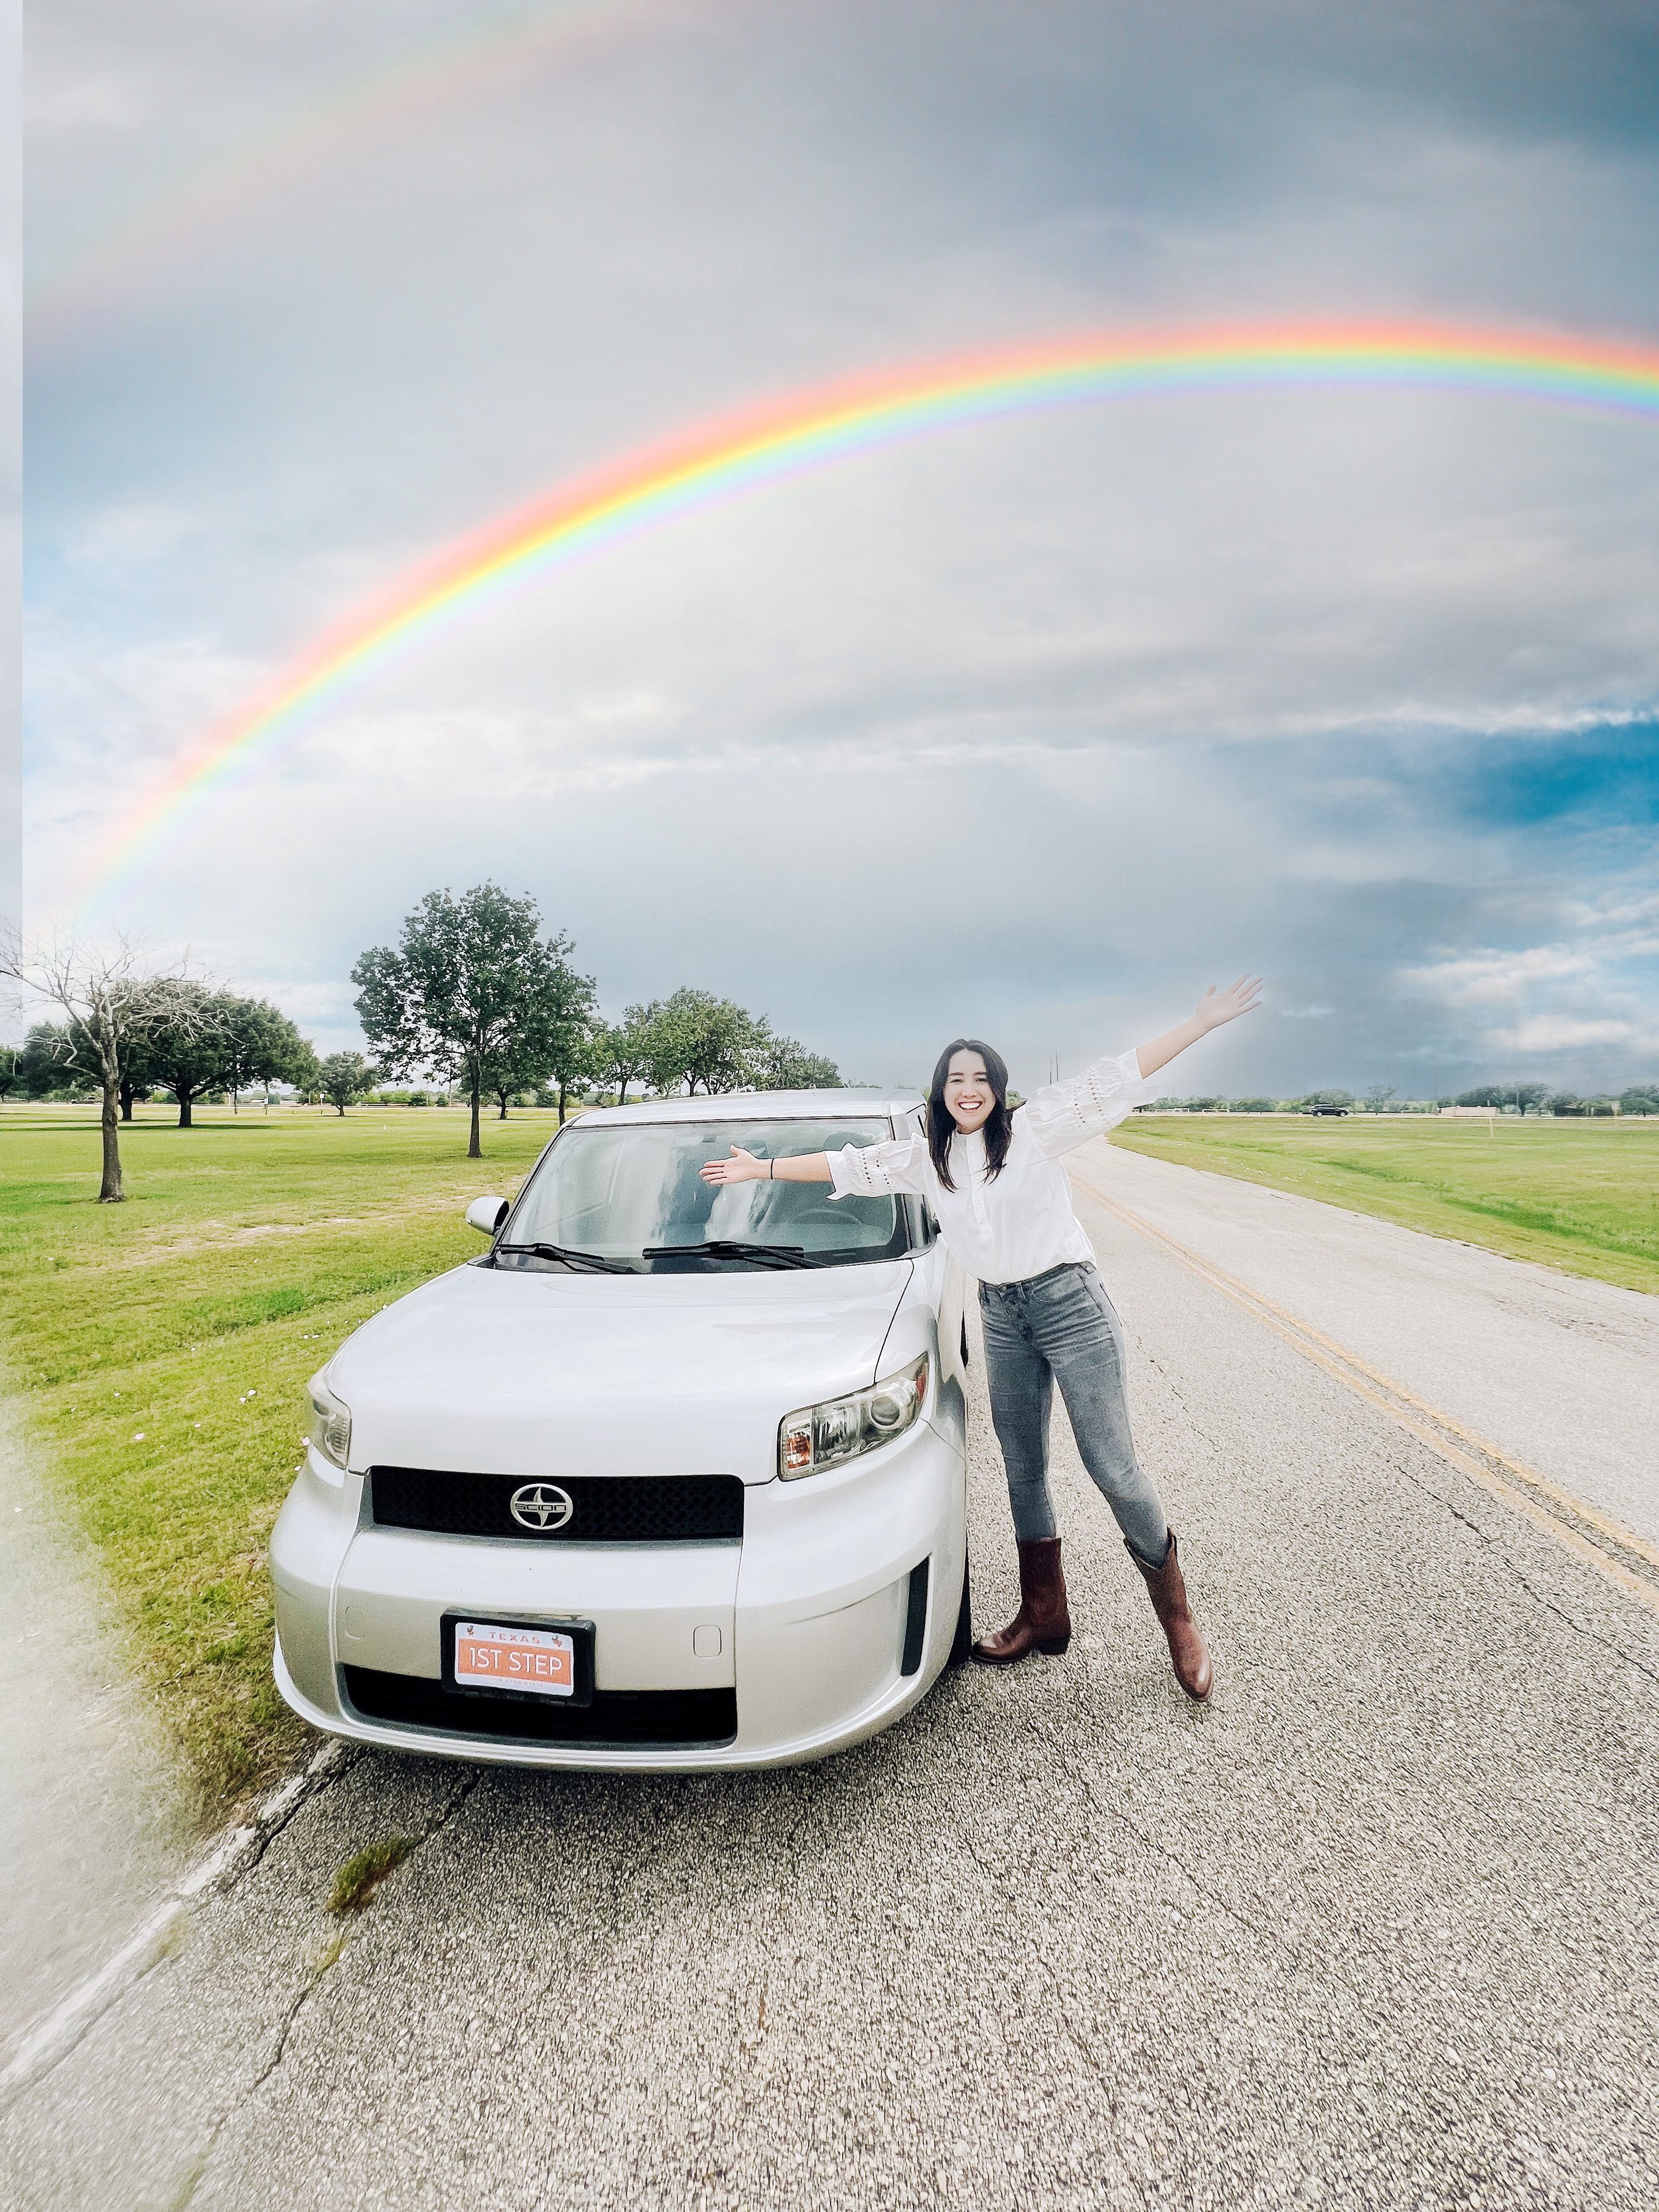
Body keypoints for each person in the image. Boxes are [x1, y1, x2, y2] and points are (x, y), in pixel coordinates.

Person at [700, 976, 1263, 1702]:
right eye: (954, 1079)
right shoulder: (922, 1155)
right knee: (1021, 1467)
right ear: (940, 1091)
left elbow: (1114, 1076)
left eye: (980, 1078)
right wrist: (760, 1169)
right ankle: (1043, 1615)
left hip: (1070, 1304)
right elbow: (846, 1166)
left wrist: (1200, 1023)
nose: (968, 1089)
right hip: (1001, 1315)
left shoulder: (1037, 1130)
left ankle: (1179, 1621)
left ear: (998, 1087)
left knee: (1112, 1467)